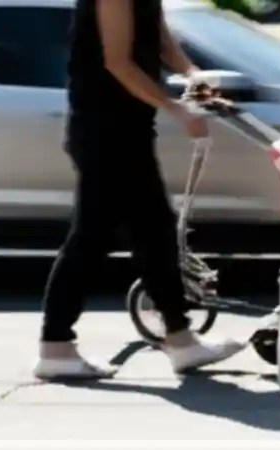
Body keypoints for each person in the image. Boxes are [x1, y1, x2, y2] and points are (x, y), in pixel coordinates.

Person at [33, 0, 246, 380]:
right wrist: (176, 110)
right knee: (99, 237)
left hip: (125, 128)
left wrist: (193, 74)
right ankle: (56, 347)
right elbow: (117, 62)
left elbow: (160, 37)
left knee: (150, 232)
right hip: (104, 131)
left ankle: (180, 341)